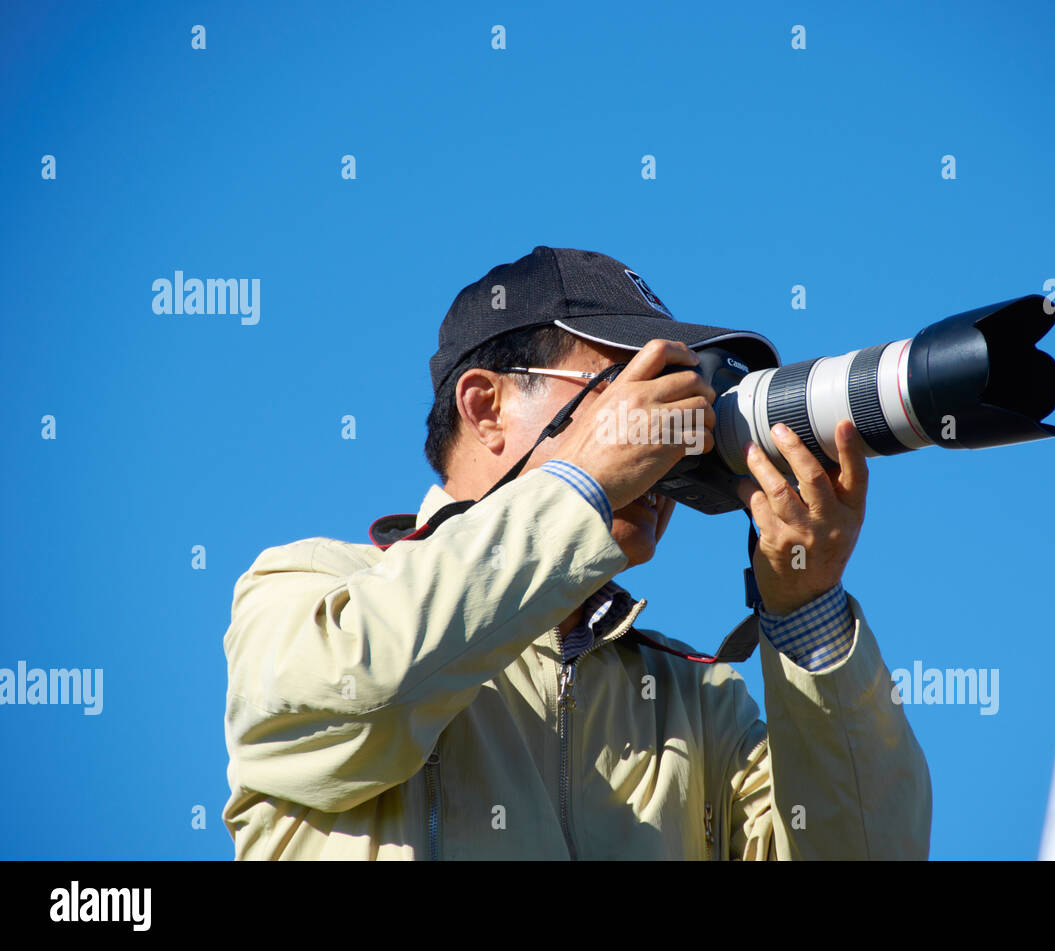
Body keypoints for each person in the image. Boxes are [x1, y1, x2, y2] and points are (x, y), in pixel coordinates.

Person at [221, 245, 931, 859]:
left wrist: (808, 610)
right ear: (485, 407)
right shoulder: (311, 589)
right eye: (630, 390)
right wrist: (583, 482)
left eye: (683, 403)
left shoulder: (696, 704)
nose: (670, 440)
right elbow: (361, 692)